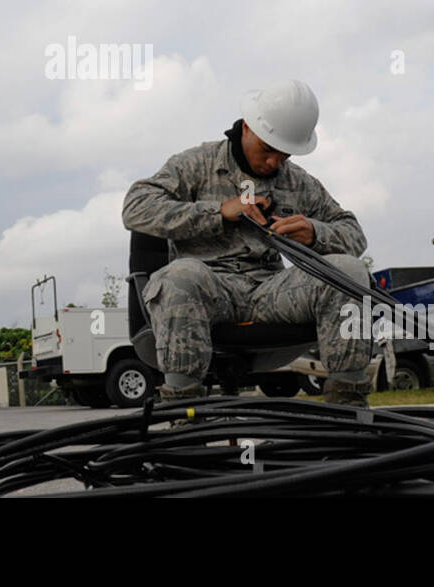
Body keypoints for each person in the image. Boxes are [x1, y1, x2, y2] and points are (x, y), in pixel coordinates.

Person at [121, 79, 374, 407]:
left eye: (283, 156)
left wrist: (316, 233)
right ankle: (183, 413)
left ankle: (348, 410)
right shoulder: (196, 164)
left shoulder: (300, 183)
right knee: (178, 277)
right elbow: (136, 207)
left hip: (270, 293)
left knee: (349, 271)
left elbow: (354, 235)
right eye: (267, 150)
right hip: (209, 288)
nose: (273, 163)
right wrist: (218, 212)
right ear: (247, 128)